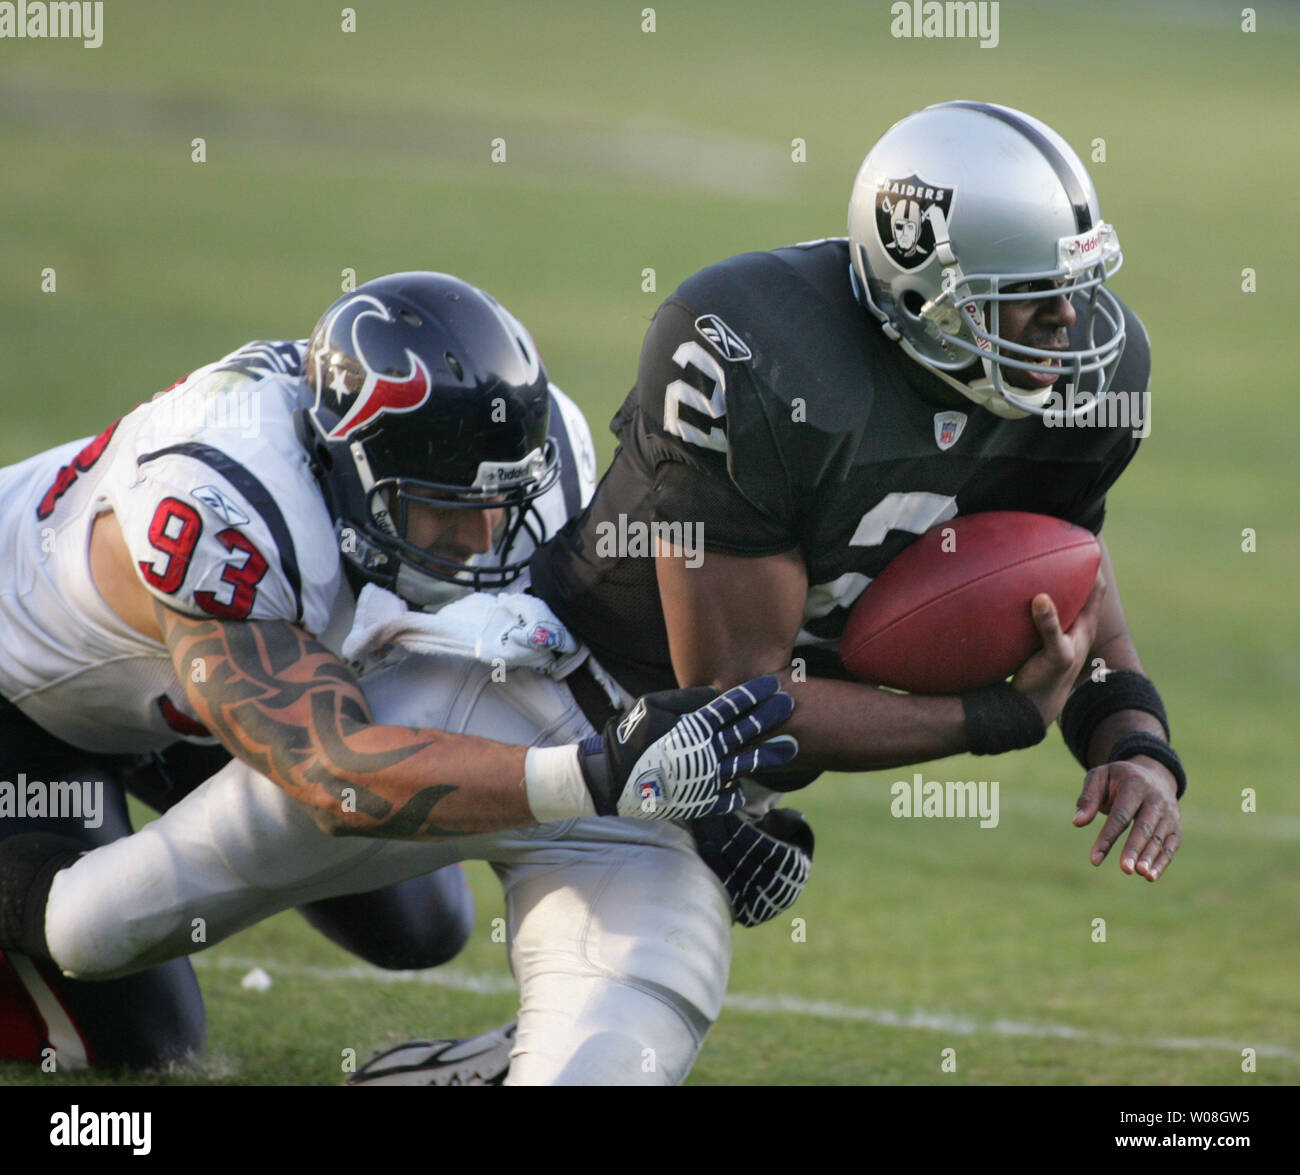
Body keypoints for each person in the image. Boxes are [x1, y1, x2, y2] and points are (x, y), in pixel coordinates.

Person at [354, 99, 1188, 1083]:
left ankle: (488, 1066)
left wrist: (1135, 746)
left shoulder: (1080, 382)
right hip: (527, 696)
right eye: (1031, 292)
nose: (1068, 322)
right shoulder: (762, 349)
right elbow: (733, 696)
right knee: (234, 910)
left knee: (571, 1027)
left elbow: (1068, 593)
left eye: (1076, 286)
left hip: (693, 759)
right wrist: (988, 716)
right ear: (922, 289)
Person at [0, 271, 793, 1073]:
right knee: (135, 1032)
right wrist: (589, 772)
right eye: (444, 502)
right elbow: (332, 774)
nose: (486, 535)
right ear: (349, 468)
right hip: (25, 708)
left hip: (198, 696)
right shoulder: (224, 501)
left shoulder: (531, 454)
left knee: (422, 921)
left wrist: (704, 805)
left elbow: (569, 676)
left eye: (503, 499)